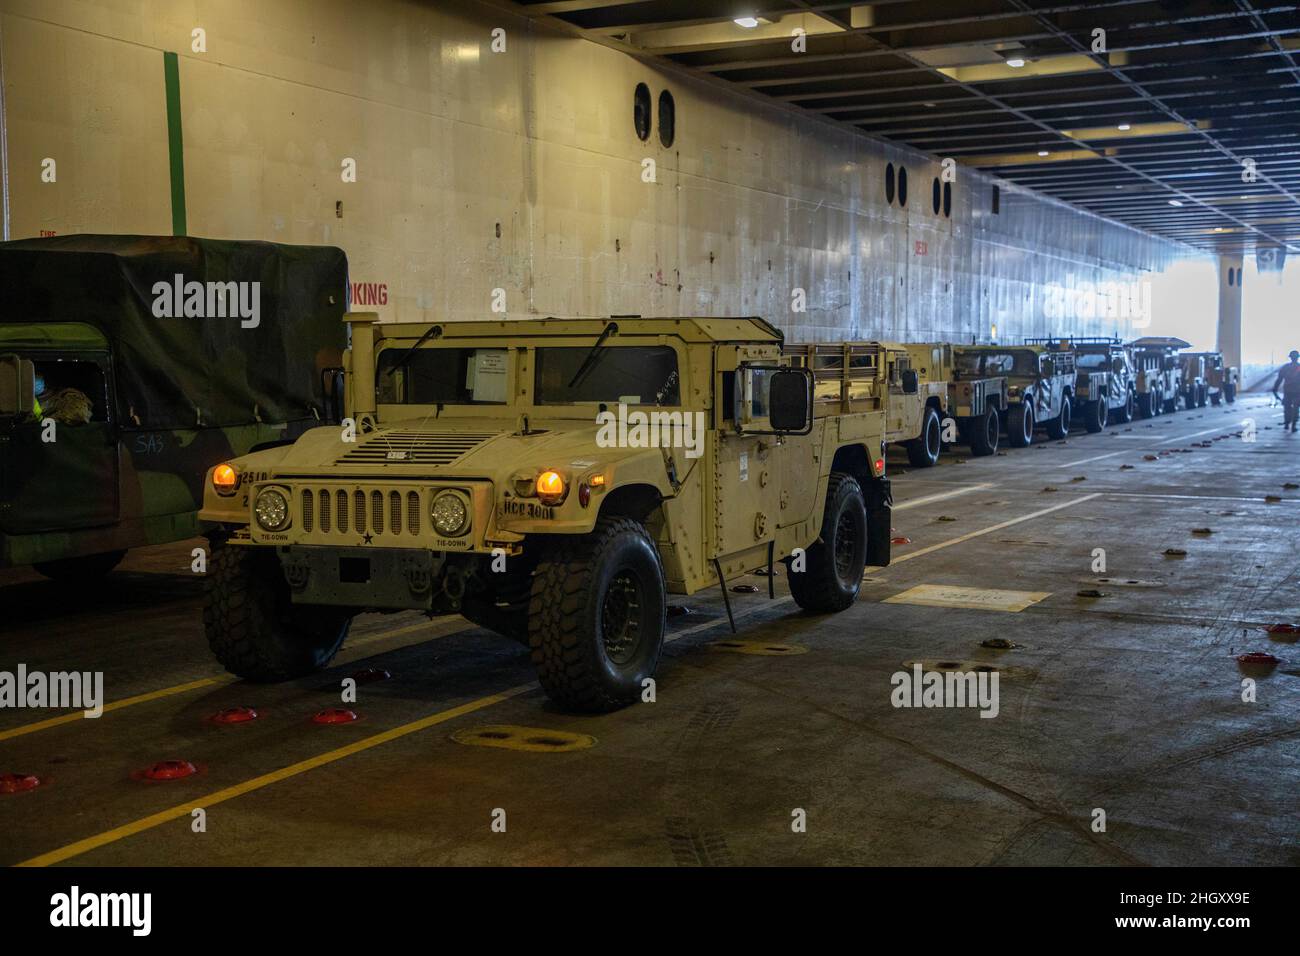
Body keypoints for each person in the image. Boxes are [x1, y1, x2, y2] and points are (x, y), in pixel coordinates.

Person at [1274, 350, 1300, 432]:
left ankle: (1286, 424)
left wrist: (1275, 388)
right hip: (1297, 391)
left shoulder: (1285, 367)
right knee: (1296, 408)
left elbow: (1279, 379)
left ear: (1290, 358)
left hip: (1287, 390)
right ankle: (1293, 426)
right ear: (1297, 358)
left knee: (1287, 408)